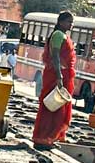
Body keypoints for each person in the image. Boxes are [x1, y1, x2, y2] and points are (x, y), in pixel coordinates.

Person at [32, 10, 76, 150]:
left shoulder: (63, 35)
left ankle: (53, 137)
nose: (71, 25)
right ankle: (44, 138)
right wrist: (59, 76)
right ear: (61, 22)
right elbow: (55, 56)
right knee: (52, 106)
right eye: (69, 22)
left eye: (72, 22)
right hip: (57, 74)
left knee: (59, 107)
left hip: (64, 73)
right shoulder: (58, 35)